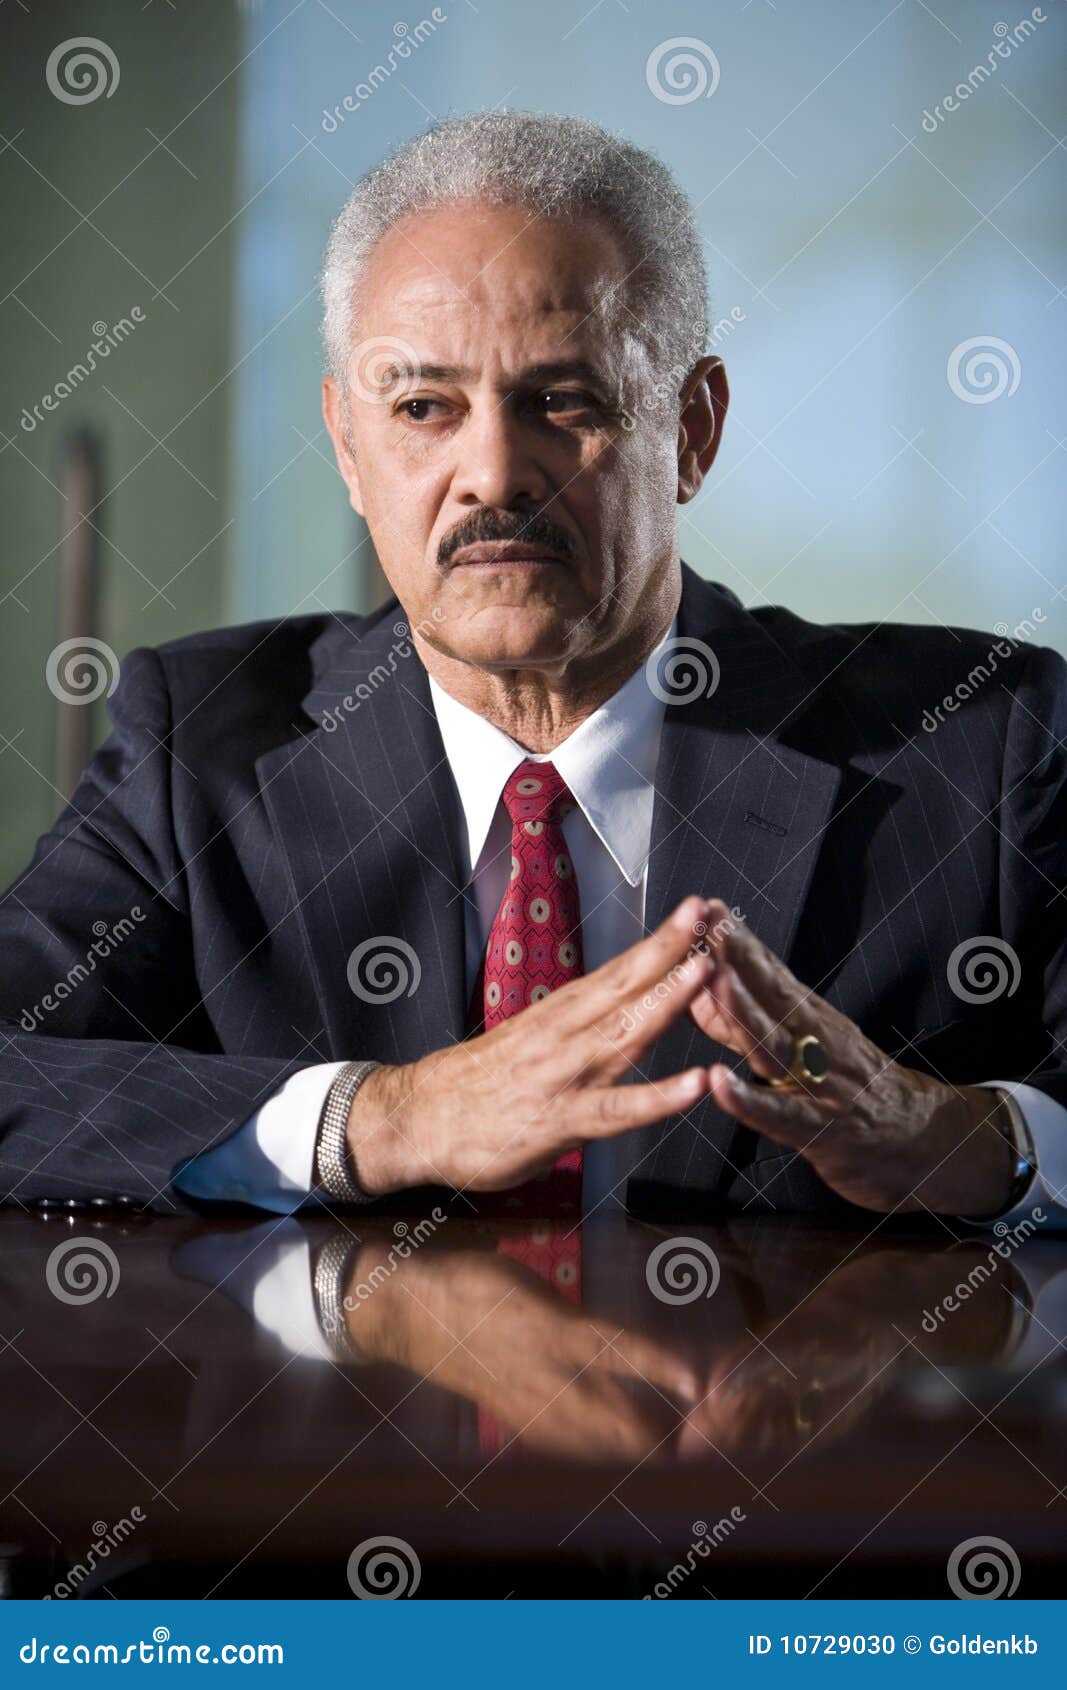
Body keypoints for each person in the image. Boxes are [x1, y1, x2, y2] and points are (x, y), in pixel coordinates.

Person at [1, 112, 1064, 1226]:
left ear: (690, 431)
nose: (493, 474)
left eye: (561, 401)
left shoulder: (975, 747)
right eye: (422, 409)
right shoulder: (205, 742)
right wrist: (387, 1117)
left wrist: (950, 1139)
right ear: (349, 450)